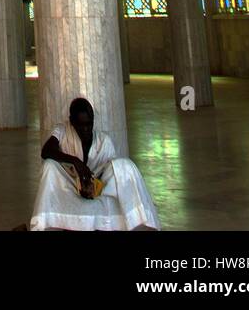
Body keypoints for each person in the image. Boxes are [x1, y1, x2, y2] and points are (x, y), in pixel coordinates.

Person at [29, 97, 160, 231]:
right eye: (81, 125)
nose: (86, 129)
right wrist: (75, 161)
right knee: (49, 166)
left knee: (125, 166)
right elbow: (46, 151)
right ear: (72, 122)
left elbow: (109, 173)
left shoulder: (104, 141)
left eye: (89, 124)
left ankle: (135, 222)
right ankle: (50, 224)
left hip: (98, 194)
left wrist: (92, 186)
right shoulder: (62, 131)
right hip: (69, 191)